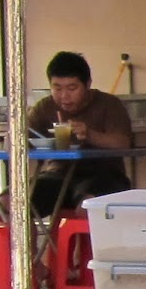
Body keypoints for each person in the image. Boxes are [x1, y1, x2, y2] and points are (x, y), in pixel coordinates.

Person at [25, 51, 134, 215]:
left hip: (103, 175)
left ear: (88, 84)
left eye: (72, 88)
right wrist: (14, 138)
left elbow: (122, 142)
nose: (64, 96)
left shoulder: (108, 104)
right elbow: (24, 136)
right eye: (57, 88)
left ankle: (78, 241)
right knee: (12, 202)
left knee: (87, 207)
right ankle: (25, 242)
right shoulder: (44, 107)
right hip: (56, 175)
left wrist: (90, 134)